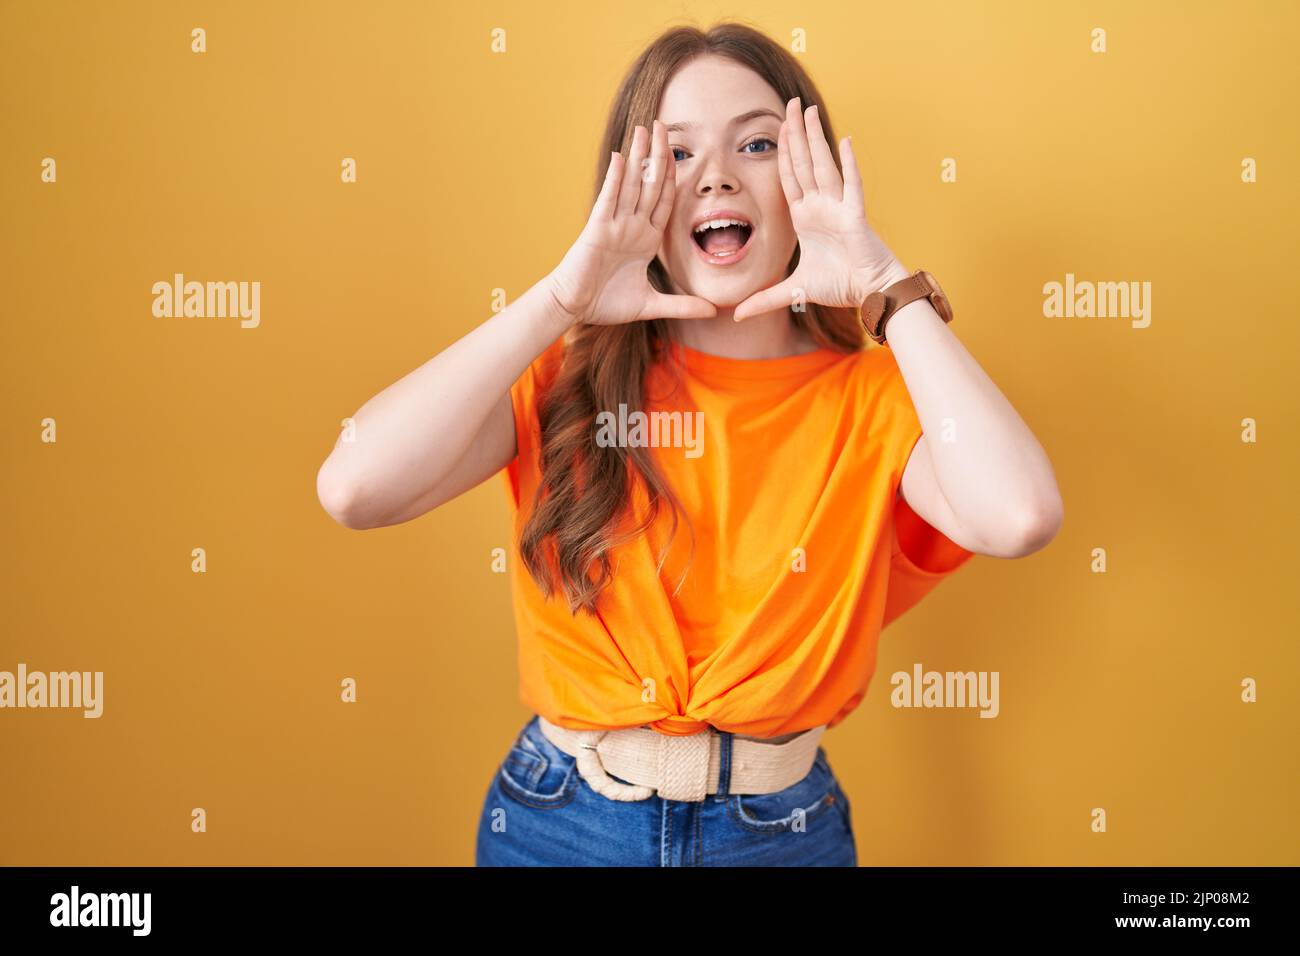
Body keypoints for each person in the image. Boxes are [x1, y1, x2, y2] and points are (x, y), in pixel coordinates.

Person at [315, 21, 1063, 866]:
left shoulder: (878, 401)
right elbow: (354, 488)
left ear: (804, 182)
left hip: (780, 833)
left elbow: (1021, 514)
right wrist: (562, 299)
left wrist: (881, 282)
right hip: (558, 823)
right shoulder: (564, 381)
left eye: (755, 144)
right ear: (629, 197)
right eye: (674, 155)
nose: (714, 176)